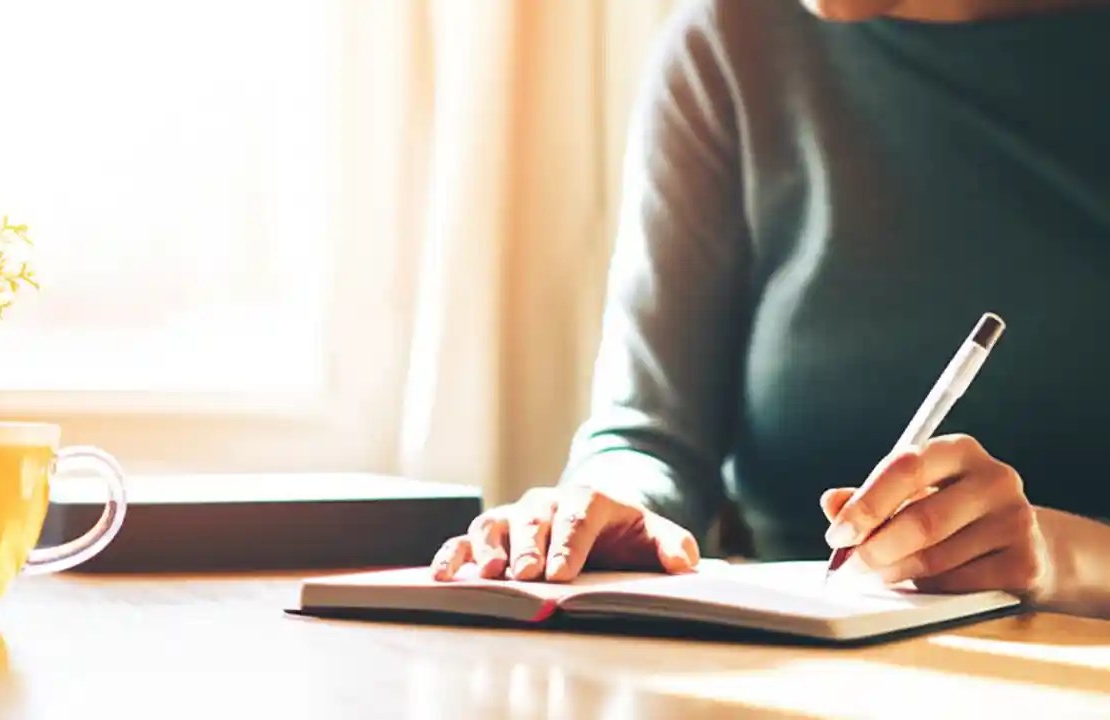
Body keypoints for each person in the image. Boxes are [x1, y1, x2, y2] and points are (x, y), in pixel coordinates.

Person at [429, 0, 1110, 620]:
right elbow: (651, 439)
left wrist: (1058, 557)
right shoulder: (731, 43)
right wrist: (604, 510)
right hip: (794, 665)